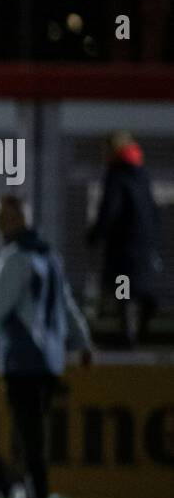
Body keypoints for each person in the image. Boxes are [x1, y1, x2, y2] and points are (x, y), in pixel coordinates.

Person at [0, 195, 92, 498]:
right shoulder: (49, 255)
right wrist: (83, 341)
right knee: (34, 433)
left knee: (27, 435)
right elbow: (67, 306)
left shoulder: (15, 258)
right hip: (50, 359)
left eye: (1, 218)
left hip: (23, 357)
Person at [86, 132, 160, 347]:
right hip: (144, 244)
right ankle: (142, 330)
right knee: (139, 288)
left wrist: (96, 234)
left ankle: (127, 335)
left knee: (123, 291)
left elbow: (110, 209)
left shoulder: (116, 174)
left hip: (123, 247)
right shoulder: (141, 172)